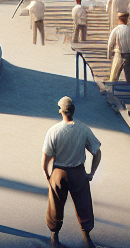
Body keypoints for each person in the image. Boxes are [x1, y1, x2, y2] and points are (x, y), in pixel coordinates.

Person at [41, 95, 101, 248]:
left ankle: (54, 237)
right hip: (78, 172)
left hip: (58, 172)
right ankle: (87, 237)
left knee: (55, 205)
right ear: (73, 110)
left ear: (61, 111)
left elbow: (45, 159)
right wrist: (91, 172)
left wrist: (48, 175)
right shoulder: (83, 129)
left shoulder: (53, 131)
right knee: (83, 204)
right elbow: (97, 151)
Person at [107, 12, 130, 83]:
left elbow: (110, 43)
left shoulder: (116, 30)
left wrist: (109, 54)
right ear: (127, 19)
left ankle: (113, 90)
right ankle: (127, 90)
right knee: (128, 75)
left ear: (119, 19)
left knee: (114, 77)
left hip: (120, 54)